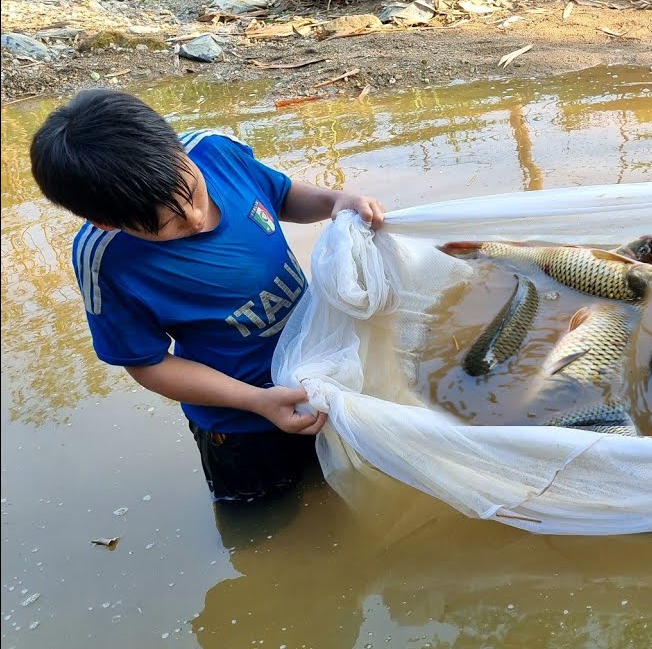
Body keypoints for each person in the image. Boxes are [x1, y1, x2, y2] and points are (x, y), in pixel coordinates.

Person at [29, 88, 386, 504]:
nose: (197, 219)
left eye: (194, 194)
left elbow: (282, 194)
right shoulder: (106, 261)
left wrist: (335, 201)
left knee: (344, 496)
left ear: (178, 151)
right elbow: (148, 364)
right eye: (170, 225)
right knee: (265, 525)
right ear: (107, 223)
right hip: (241, 427)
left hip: (322, 382)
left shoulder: (214, 152)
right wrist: (256, 402)